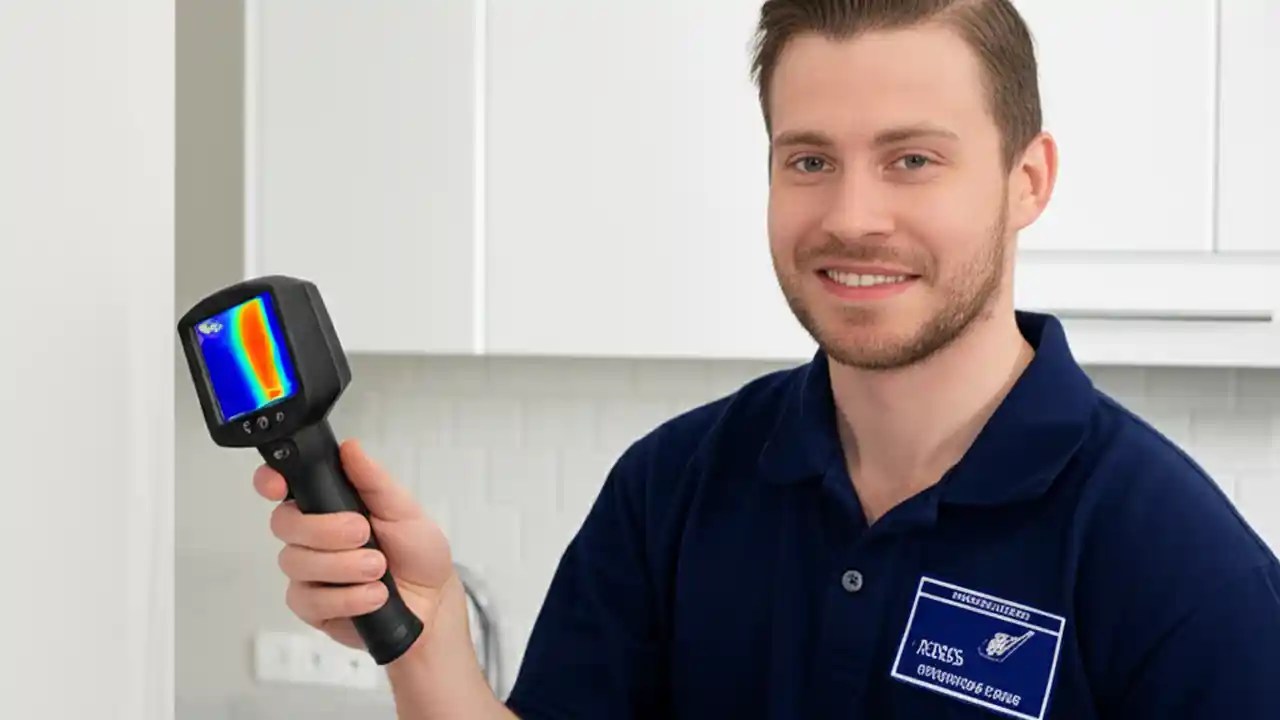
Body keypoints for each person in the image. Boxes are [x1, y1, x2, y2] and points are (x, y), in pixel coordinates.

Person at [252, 0, 1280, 717]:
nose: (852, 216)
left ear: (1028, 180)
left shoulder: (1178, 564)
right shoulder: (673, 488)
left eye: (911, 159)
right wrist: (427, 646)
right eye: (809, 159)